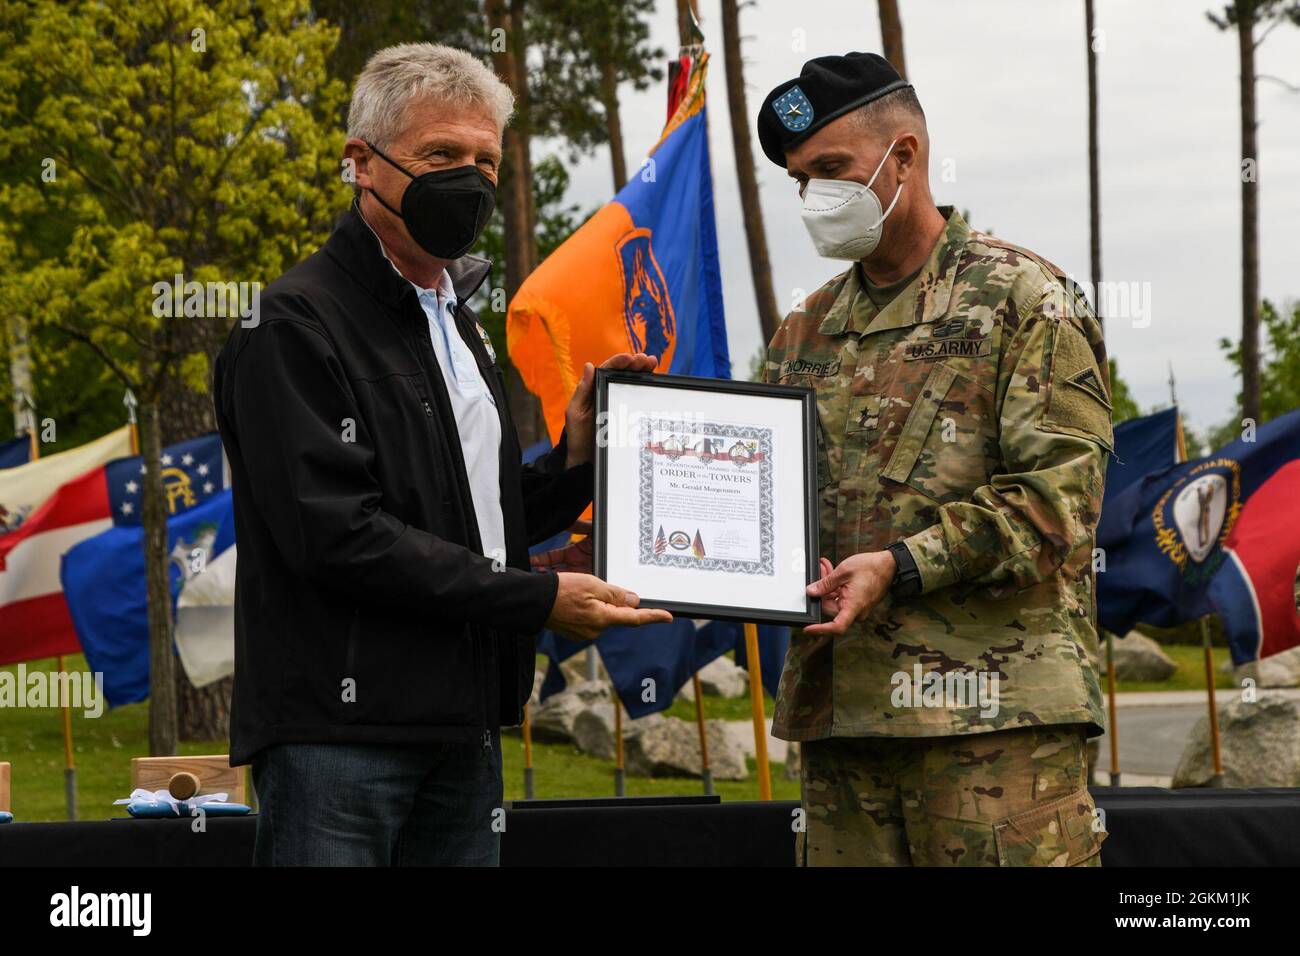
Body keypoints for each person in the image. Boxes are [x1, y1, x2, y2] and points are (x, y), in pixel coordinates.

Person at [213, 43, 670, 867]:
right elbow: (340, 536)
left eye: (486, 160)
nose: (471, 178)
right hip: (341, 737)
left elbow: (474, 517)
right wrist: (533, 597)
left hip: (462, 725)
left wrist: (575, 452)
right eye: (441, 155)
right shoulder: (291, 324)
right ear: (361, 162)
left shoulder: (454, 319)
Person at [757, 52, 1113, 866]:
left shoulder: (1023, 297)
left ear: (905, 156)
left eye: (833, 169)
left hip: (992, 721)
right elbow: (763, 503)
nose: (815, 196)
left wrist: (900, 564)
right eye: (800, 179)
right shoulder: (803, 331)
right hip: (842, 723)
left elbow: (1059, 501)